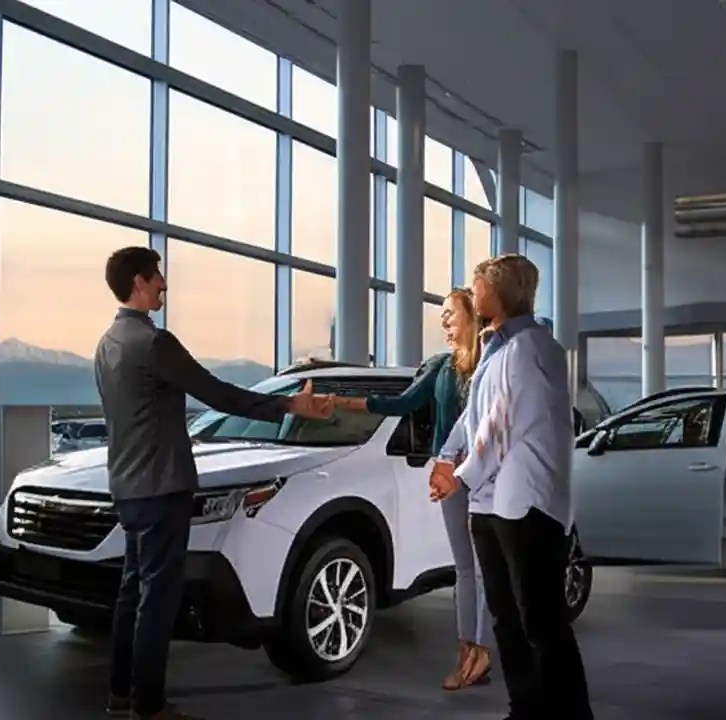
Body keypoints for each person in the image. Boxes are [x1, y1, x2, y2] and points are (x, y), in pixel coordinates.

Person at [95, 246, 334, 720]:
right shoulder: (155, 343)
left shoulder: (107, 343)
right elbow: (217, 394)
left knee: (131, 593)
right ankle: (148, 705)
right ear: (140, 283)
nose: (164, 283)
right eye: (158, 275)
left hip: (126, 485)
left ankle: (120, 694)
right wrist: (290, 407)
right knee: (157, 601)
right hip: (161, 486)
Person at [429, 254, 594, 720]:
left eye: (478, 286)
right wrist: (445, 457)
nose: (472, 293)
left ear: (500, 292)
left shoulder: (531, 347)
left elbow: (498, 426)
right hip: (491, 505)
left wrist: (455, 478)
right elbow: (472, 417)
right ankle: (525, 710)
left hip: (528, 506)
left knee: (542, 622)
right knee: (506, 621)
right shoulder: (496, 347)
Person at [331, 288, 493, 691]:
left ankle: (483, 651)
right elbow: (401, 404)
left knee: (487, 567)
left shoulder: (492, 365)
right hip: (449, 476)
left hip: (487, 476)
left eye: (449, 313)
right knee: (466, 569)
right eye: (441, 315)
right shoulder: (440, 367)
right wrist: (341, 403)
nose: (442, 321)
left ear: (472, 316)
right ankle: (468, 652)